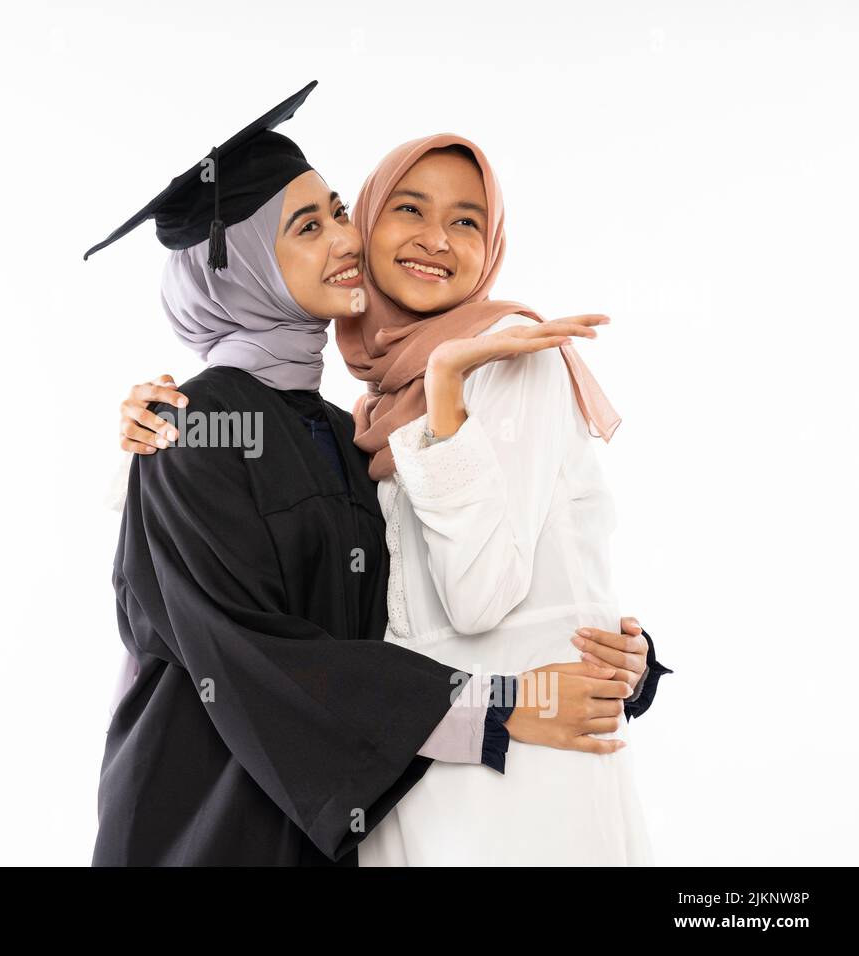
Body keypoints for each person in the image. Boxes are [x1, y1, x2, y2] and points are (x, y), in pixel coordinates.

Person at [87, 83, 645, 867]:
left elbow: (415, 601)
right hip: (210, 819)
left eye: (340, 212)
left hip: (356, 821)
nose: (345, 243)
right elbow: (250, 652)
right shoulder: (197, 419)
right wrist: (499, 709)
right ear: (237, 269)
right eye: (308, 227)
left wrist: (624, 651)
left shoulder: (341, 427)